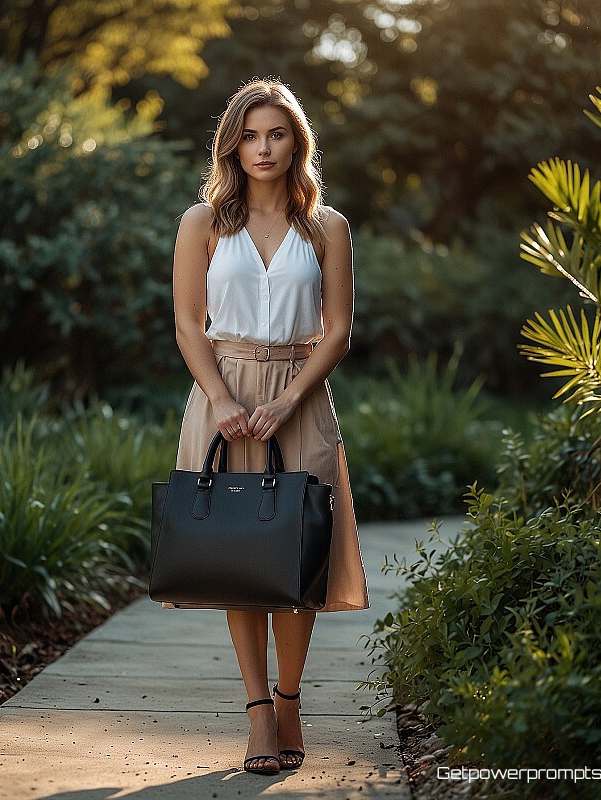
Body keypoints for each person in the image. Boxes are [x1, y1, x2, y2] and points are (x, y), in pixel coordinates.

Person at [168, 77, 369, 776]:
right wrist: (221, 398)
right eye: (249, 135)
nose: (263, 147)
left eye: (277, 134)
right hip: (220, 398)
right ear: (232, 143)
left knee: (296, 553)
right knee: (237, 556)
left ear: (297, 143)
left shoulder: (327, 227)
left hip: (301, 396)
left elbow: (339, 331)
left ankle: (290, 698)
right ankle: (259, 712)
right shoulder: (203, 223)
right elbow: (189, 326)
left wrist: (287, 402)